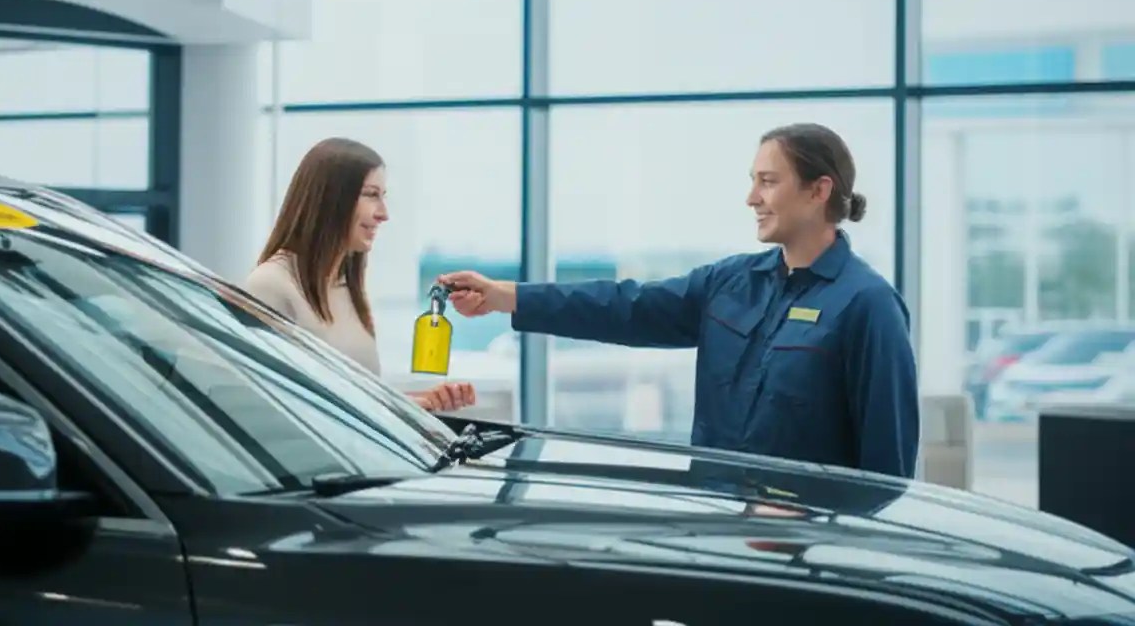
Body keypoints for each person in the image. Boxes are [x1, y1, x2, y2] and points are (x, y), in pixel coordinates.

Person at [439, 123, 919, 478]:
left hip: (808, 558)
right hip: (715, 533)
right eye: (753, 179)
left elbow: (888, 464)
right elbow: (626, 307)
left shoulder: (868, 306)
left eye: (768, 181)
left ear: (819, 190)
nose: (751, 197)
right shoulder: (730, 282)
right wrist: (507, 296)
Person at [244, 137, 476, 413]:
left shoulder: (344, 287)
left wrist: (418, 405)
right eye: (371, 195)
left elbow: (351, 400)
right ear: (331, 199)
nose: (383, 214)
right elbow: (265, 402)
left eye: (383, 196)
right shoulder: (270, 285)